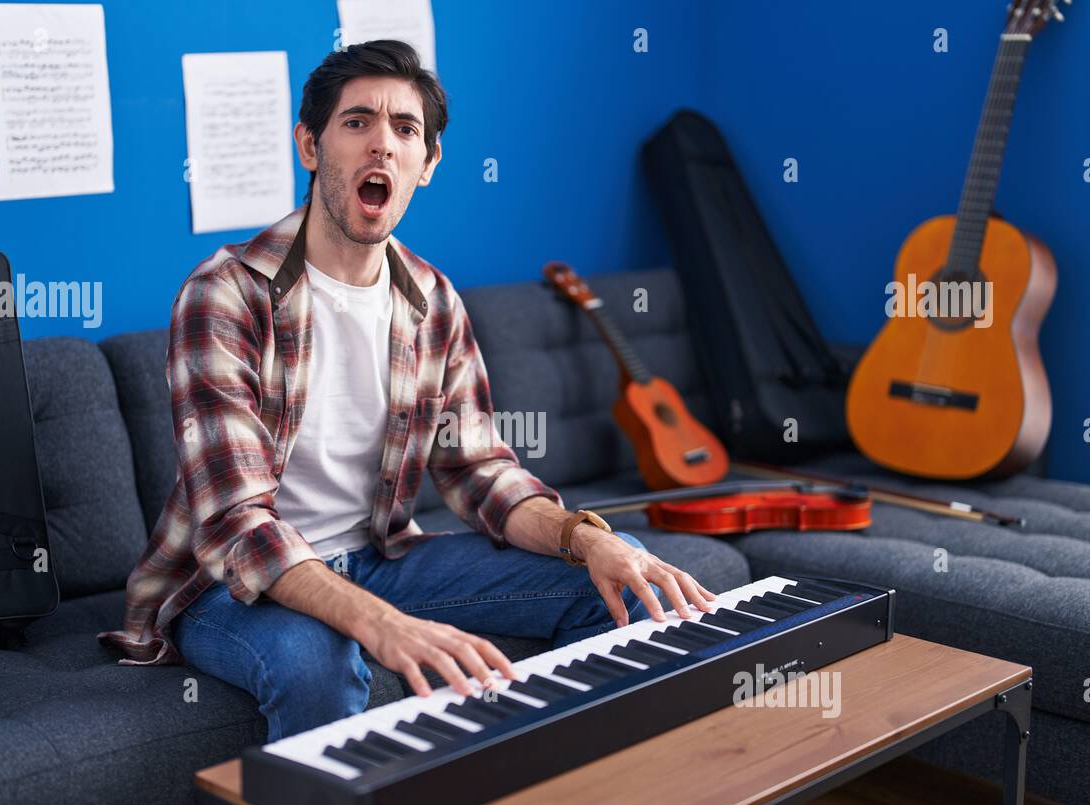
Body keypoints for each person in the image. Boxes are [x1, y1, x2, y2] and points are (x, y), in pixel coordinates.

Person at [96, 40, 716, 763]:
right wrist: (378, 623)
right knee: (318, 662)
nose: (381, 144)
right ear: (309, 144)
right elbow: (237, 525)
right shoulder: (226, 292)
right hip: (225, 585)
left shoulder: (433, 302)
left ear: (428, 163)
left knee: (624, 576)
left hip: (377, 555)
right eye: (357, 122)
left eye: (405, 129)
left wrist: (590, 537)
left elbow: (481, 472)